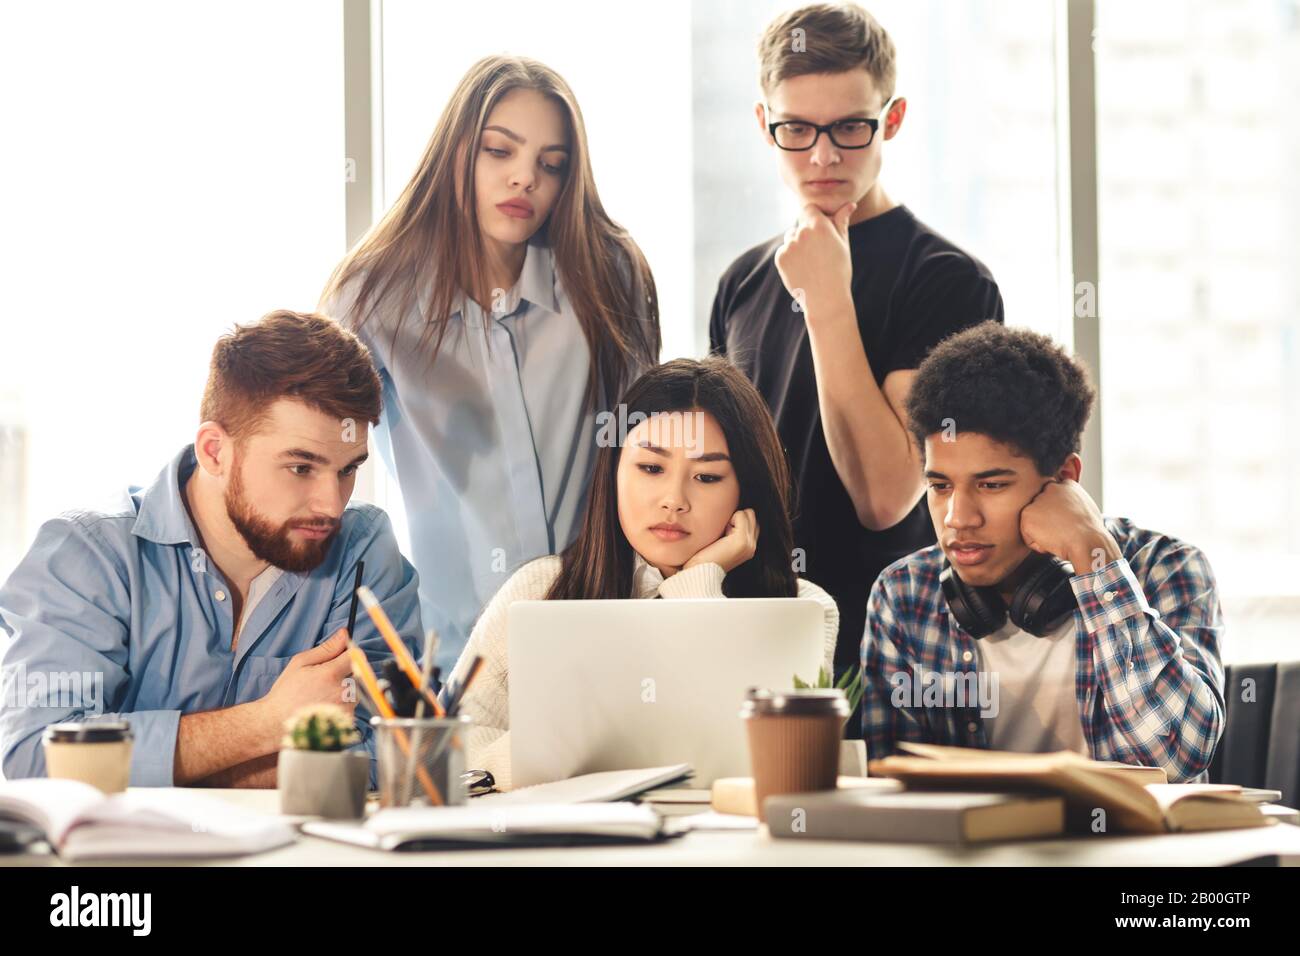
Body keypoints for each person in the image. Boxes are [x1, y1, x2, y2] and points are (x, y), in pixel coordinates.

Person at [709, 3, 1005, 729]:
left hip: (893, 655)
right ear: (765, 125)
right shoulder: (742, 282)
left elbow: (885, 494)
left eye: (850, 128)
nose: (822, 157)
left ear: (891, 119)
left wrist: (827, 299)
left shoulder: (948, 282)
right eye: (797, 130)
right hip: (752, 642)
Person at [321, 54, 660, 674]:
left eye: (551, 164)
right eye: (499, 151)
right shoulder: (370, 297)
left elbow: (646, 457)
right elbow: (318, 463)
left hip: (601, 640)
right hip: (454, 659)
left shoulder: (609, 275)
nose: (524, 178)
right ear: (455, 152)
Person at [0, 311, 421, 787]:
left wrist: (167, 769)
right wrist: (266, 723)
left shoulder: (364, 549)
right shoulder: (87, 555)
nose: (331, 504)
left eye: (348, 469)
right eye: (301, 468)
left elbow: (397, 754)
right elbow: (39, 757)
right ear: (214, 451)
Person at [445, 358, 839, 790]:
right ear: (614, 470)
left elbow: (779, 757)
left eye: (707, 476)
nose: (674, 500)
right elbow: (447, 750)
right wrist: (544, 755)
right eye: (651, 468)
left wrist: (699, 581)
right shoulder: (538, 590)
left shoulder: (804, 608)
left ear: (746, 491)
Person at [863, 322, 1224, 783]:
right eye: (940, 486)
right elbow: (892, 790)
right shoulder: (904, 595)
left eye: (991, 485)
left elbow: (1176, 758)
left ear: (1064, 478)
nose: (958, 518)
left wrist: (1094, 556)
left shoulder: (1167, 568)